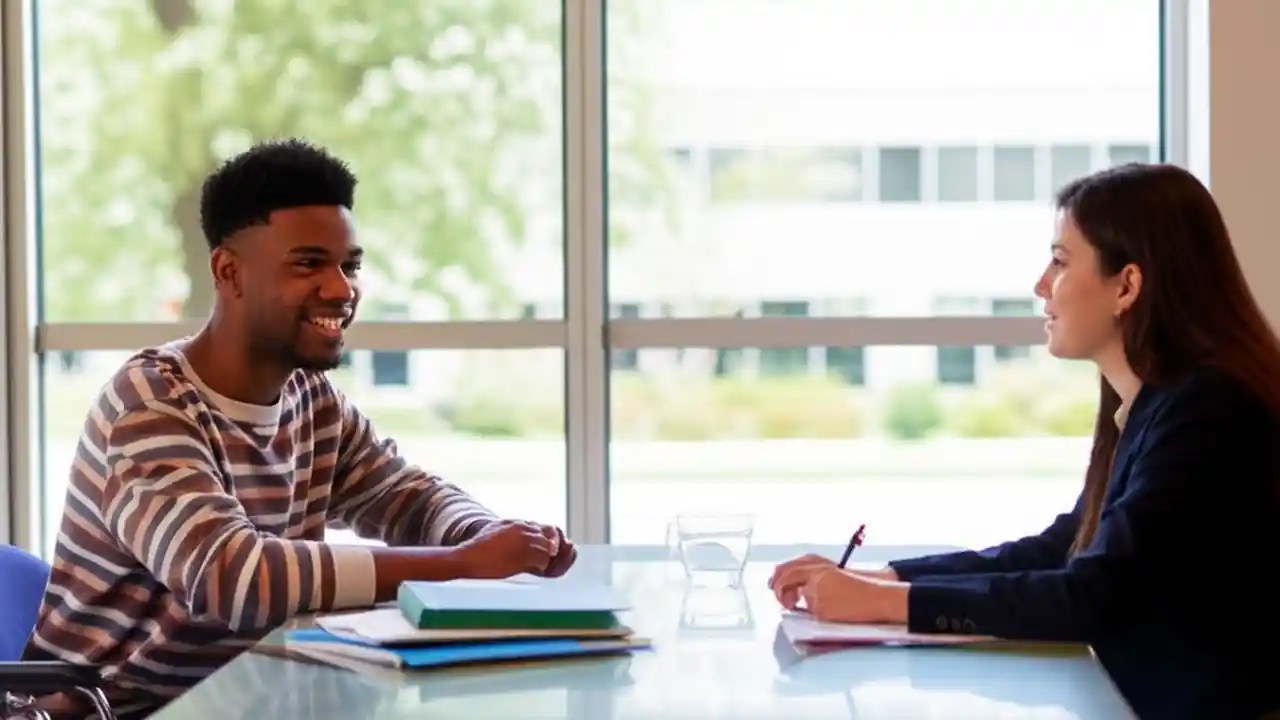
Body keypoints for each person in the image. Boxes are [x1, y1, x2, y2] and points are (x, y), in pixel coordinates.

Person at [23, 138, 576, 717]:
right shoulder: (149, 404)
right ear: (228, 271)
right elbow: (231, 576)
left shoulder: (310, 400)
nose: (342, 289)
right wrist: (462, 565)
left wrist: (490, 537)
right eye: (309, 264)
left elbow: (404, 497)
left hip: (246, 704)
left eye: (350, 265)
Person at [769, 163, 1280, 720]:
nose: (1041, 285)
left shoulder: (1209, 410)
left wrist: (890, 604)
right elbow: (1067, 546)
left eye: (1060, 261)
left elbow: (1092, 594)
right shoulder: (1158, 400)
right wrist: (883, 578)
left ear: (1127, 285)